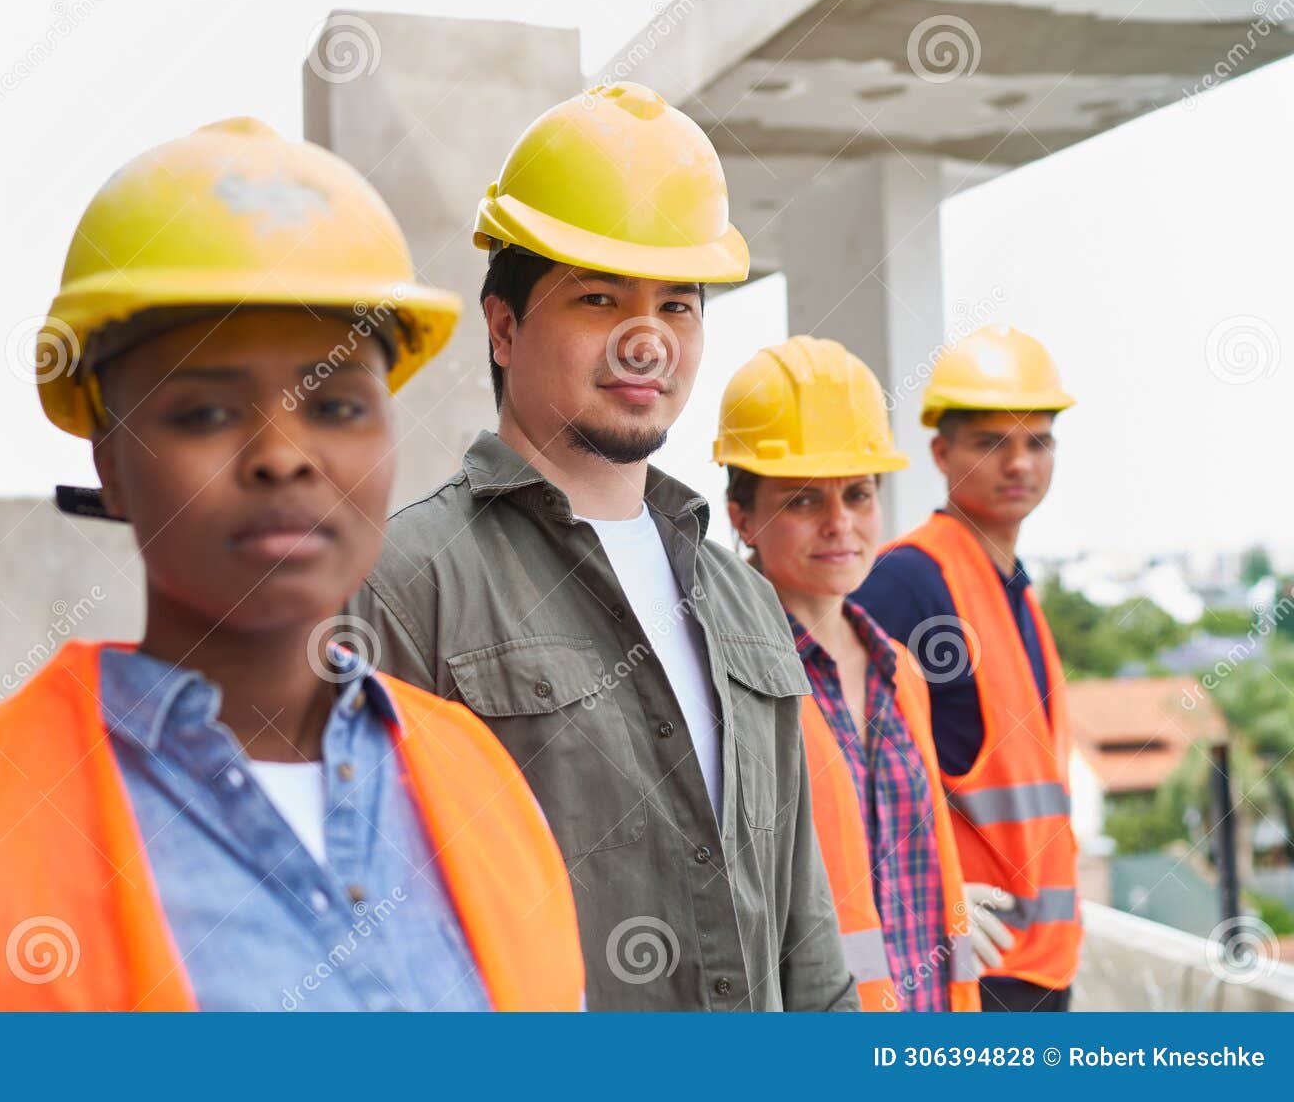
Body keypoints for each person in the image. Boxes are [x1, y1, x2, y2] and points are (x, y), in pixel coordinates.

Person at [0, 118, 583, 1012]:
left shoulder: (488, 796)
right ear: (109, 464)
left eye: (339, 405)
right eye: (203, 412)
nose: (284, 456)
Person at [349, 82, 856, 1012]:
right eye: (597, 297)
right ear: (504, 327)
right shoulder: (400, 584)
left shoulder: (742, 603)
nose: (646, 340)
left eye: (678, 305)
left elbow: (803, 932)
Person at [715, 336, 983, 1012]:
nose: (840, 524)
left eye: (858, 495)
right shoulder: (720, 675)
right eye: (804, 500)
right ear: (741, 514)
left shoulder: (902, 671)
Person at [852, 323, 1080, 1012]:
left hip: (1038, 966)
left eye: (1037, 441)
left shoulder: (1016, 590)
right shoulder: (907, 584)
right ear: (941, 452)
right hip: (968, 971)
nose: (1020, 462)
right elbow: (845, 777)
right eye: (992, 441)